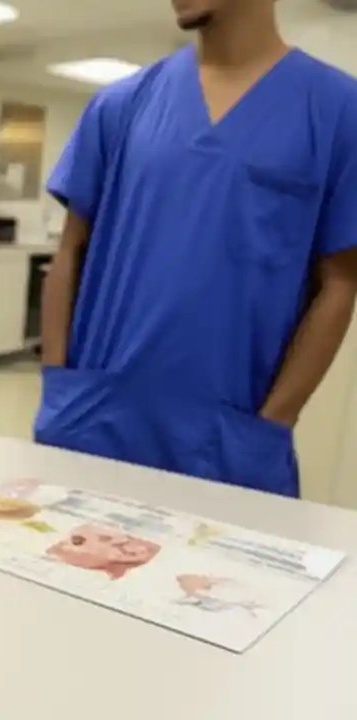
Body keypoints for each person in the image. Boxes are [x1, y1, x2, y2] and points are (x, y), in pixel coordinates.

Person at [37, 0, 357, 498]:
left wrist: (272, 425)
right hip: (92, 422)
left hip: (230, 445)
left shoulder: (339, 110)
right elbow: (70, 252)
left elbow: (340, 283)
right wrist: (57, 389)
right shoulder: (120, 106)